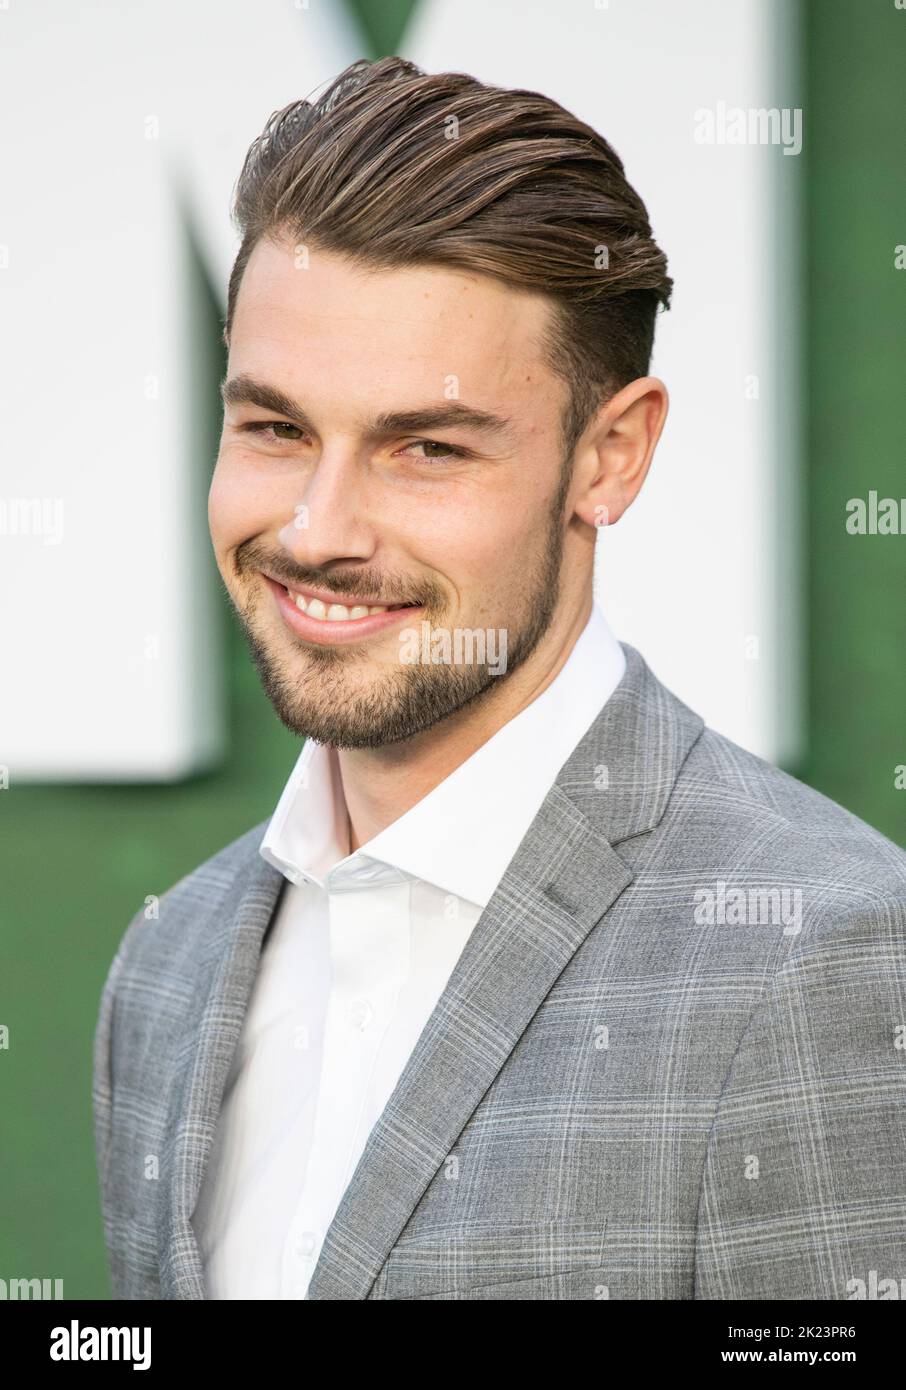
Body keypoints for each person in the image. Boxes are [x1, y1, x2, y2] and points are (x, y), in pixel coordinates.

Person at [93, 56, 906, 1301]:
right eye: (276, 428)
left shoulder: (824, 958)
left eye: (425, 446)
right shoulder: (169, 967)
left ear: (611, 456)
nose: (318, 530)